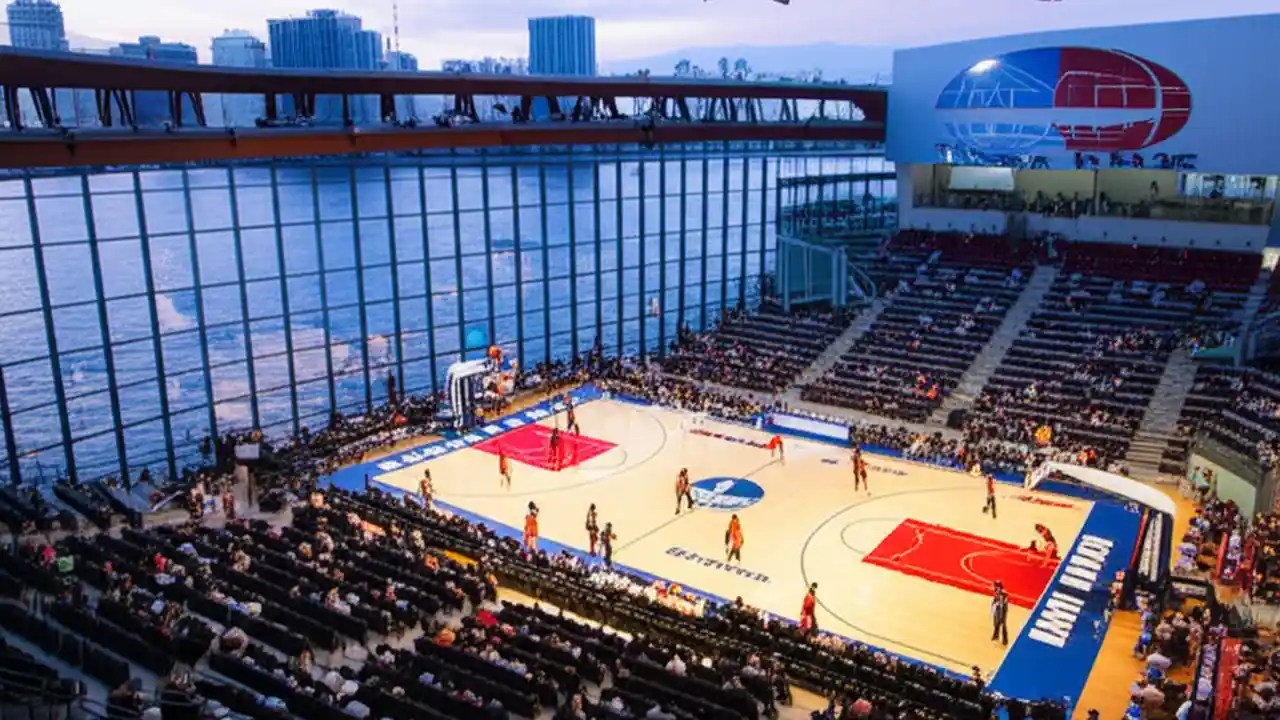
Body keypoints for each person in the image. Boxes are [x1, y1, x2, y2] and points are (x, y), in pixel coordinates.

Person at [991, 581, 1009, 646]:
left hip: (1003, 611)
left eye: (995, 585)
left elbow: (1002, 604)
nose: (994, 587)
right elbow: (995, 599)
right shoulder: (997, 591)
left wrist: (1001, 615)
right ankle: (996, 636)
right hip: (998, 609)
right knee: (996, 623)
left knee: (1003, 624)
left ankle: (1005, 640)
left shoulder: (1003, 594)